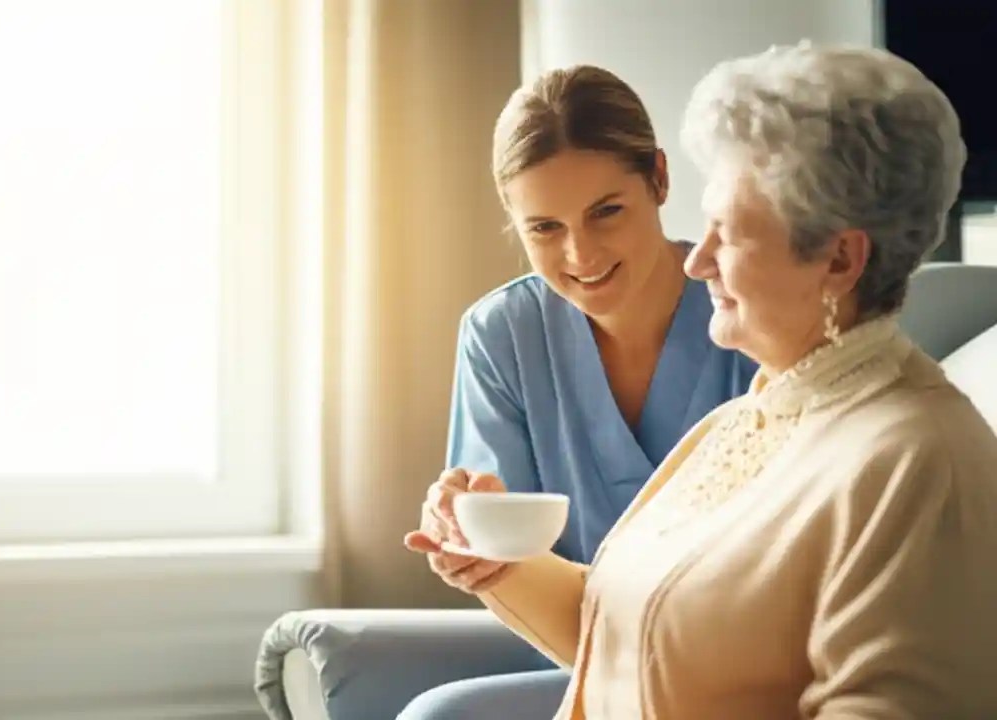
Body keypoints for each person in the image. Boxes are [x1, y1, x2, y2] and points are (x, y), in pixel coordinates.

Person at [411, 42, 997, 719]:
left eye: (730, 233)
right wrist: (495, 560)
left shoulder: (915, 462)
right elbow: (625, 636)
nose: (699, 262)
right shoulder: (751, 420)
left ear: (838, 259)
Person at [398, 66, 755, 718]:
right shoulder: (501, 336)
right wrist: (468, 539)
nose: (581, 254)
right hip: (584, 662)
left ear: (660, 178)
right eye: (544, 228)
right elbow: (504, 544)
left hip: (739, 669)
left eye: (606, 212)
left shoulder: (754, 312)